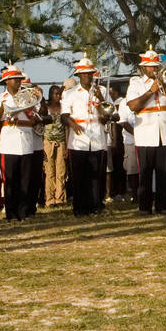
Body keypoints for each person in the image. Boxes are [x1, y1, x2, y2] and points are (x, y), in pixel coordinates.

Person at [125, 48, 166, 214]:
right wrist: (150, 90)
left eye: (156, 66)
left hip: (164, 134)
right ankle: (144, 207)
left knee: (164, 172)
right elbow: (133, 105)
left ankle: (163, 205)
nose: (154, 69)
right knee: (145, 173)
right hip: (145, 135)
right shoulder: (136, 83)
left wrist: (163, 86)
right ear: (144, 68)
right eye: (151, 66)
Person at [59, 55, 110, 216]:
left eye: (90, 73)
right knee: (79, 175)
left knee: (97, 175)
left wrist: (101, 99)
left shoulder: (102, 91)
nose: (88, 76)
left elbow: (108, 113)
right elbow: (63, 115)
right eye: (85, 73)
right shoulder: (70, 93)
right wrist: (72, 124)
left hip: (96, 136)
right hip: (78, 139)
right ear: (79, 75)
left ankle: (96, 205)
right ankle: (80, 208)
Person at [0, 66, 42, 221]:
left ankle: (24, 211)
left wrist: (34, 105)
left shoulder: (27, 96)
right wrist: (2, 110)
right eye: (15, 79)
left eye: (19, 79)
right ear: (6, 81)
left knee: (26, 179)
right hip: (9, 142)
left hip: (26, 140)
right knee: (10, 179)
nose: (18, 82)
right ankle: (11, 213)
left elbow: (35, 117)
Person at [42, 84, 68, 209]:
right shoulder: (46, 108)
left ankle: (60, 198)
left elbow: (66, 127)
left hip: (61, 141)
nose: (58, 96)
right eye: (55, 94)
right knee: (49, 171)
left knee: (61, 171)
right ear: (51, 95)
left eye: (59, 94)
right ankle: (50, 198)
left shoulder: (64, 107)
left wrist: (66, 146)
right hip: (48, 142)